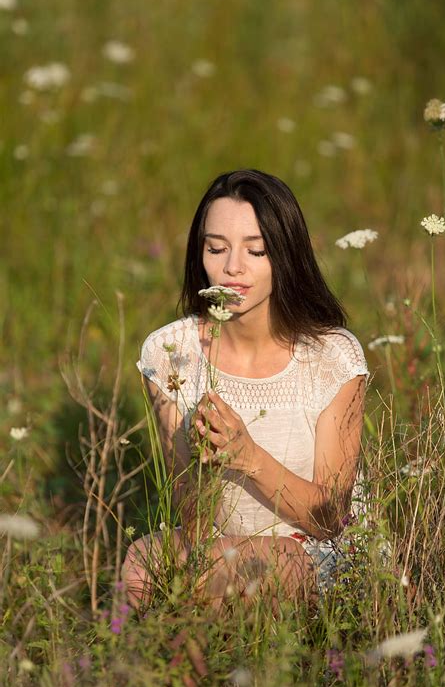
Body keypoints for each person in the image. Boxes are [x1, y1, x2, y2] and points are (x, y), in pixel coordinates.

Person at [122, 169, 370, 612]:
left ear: (286, 257)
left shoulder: (333, 357)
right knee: (144, 562)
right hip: (216, 550)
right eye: (216, 248)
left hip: (314, 553)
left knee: (227, 572)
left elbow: (331, 519)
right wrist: (200, 464)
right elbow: (194, 523)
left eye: (255, 250)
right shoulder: (170, 354)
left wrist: (248, 457)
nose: (232, 266)